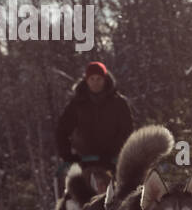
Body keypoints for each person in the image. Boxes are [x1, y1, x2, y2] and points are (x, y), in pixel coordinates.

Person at [55, 61, 134, 192]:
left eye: (99, 79)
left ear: (105, 79)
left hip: (113, 161)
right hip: (86, 161)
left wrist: (115, 152)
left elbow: (127, 131)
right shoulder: (77, 104)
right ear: (86, 80)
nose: (95, 82)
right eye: (92, 79)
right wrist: (67, 155)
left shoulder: (119, 103)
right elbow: (62, 130)